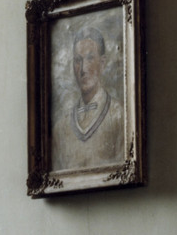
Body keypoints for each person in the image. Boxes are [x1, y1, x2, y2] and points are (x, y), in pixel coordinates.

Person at [50, 28, 123, 171]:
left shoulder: (119, 116)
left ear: (102, 64)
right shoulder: (61, 127)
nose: (83, 69)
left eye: (90, 58)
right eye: (78, 60)